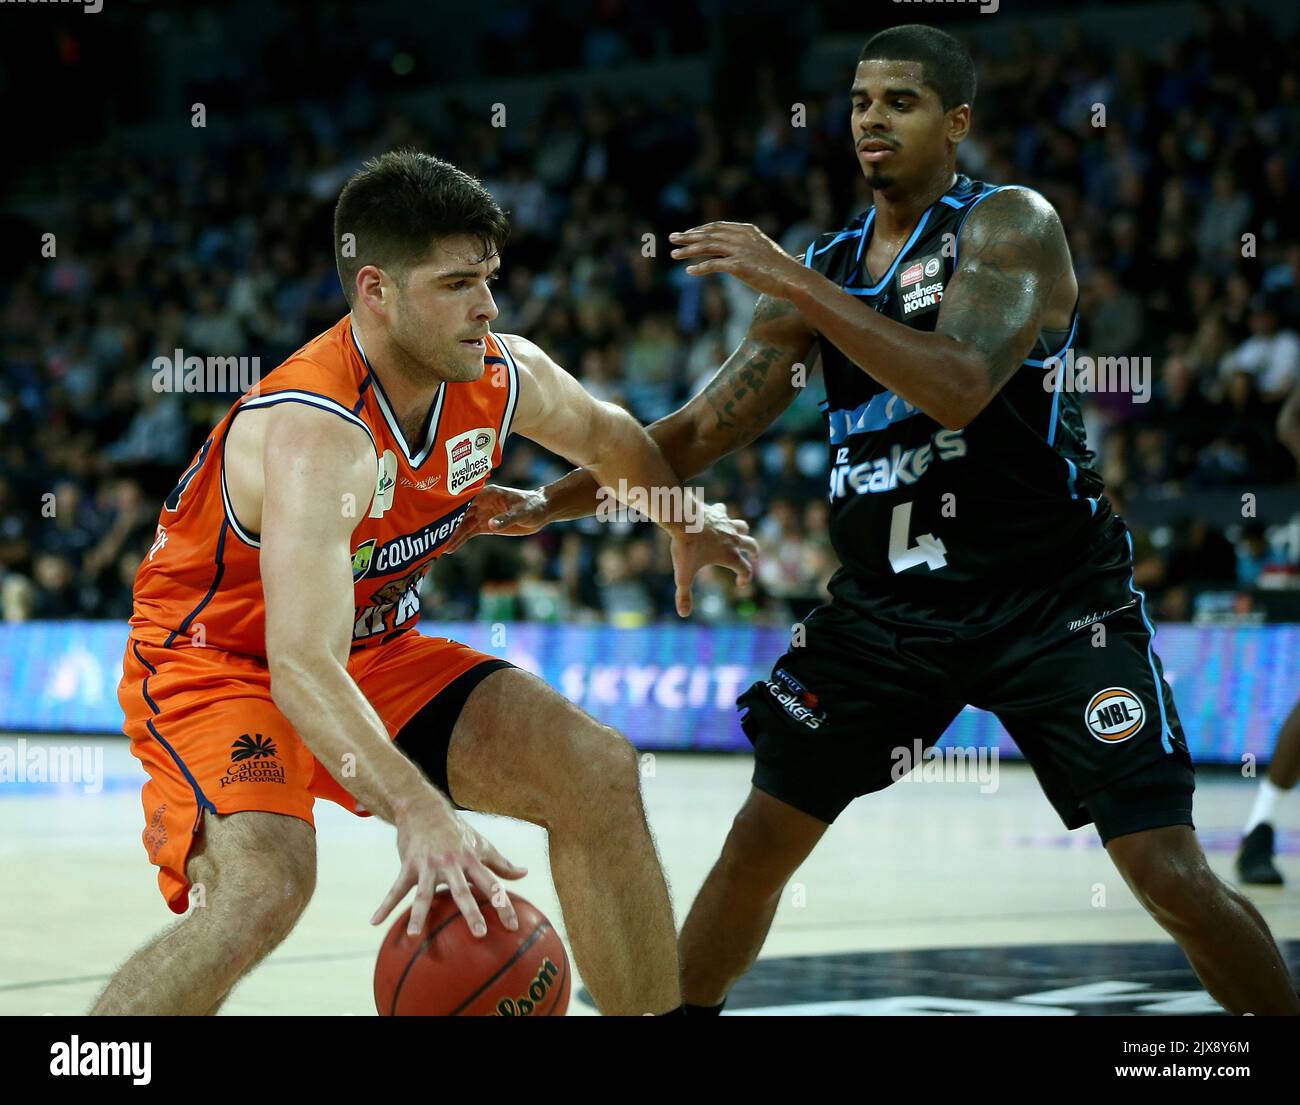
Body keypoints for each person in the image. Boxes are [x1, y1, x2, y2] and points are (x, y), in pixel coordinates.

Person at [446, 26, 1300, 1015]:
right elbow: (693, 432)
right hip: (886, 616)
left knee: (1165, 869)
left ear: (956, 122)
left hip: (1053, 605)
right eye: (859, 102)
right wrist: (546, 504)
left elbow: (959, 386)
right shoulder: (831, 262)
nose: (871, 120)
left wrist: (800, 285)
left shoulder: (1007, 224)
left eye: (900, 101)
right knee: (758, 843)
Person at [94, 151, 756, 1016]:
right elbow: (298, 665)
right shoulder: (315, 431)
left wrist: (680, 517)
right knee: (265, 888)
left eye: (488, 276)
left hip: (369, 651)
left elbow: (608, 434)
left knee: (595, 768)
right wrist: (418, 809)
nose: (486, 305)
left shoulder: (497, 370)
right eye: (455, 283)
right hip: (220, 665)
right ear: (377, 290)